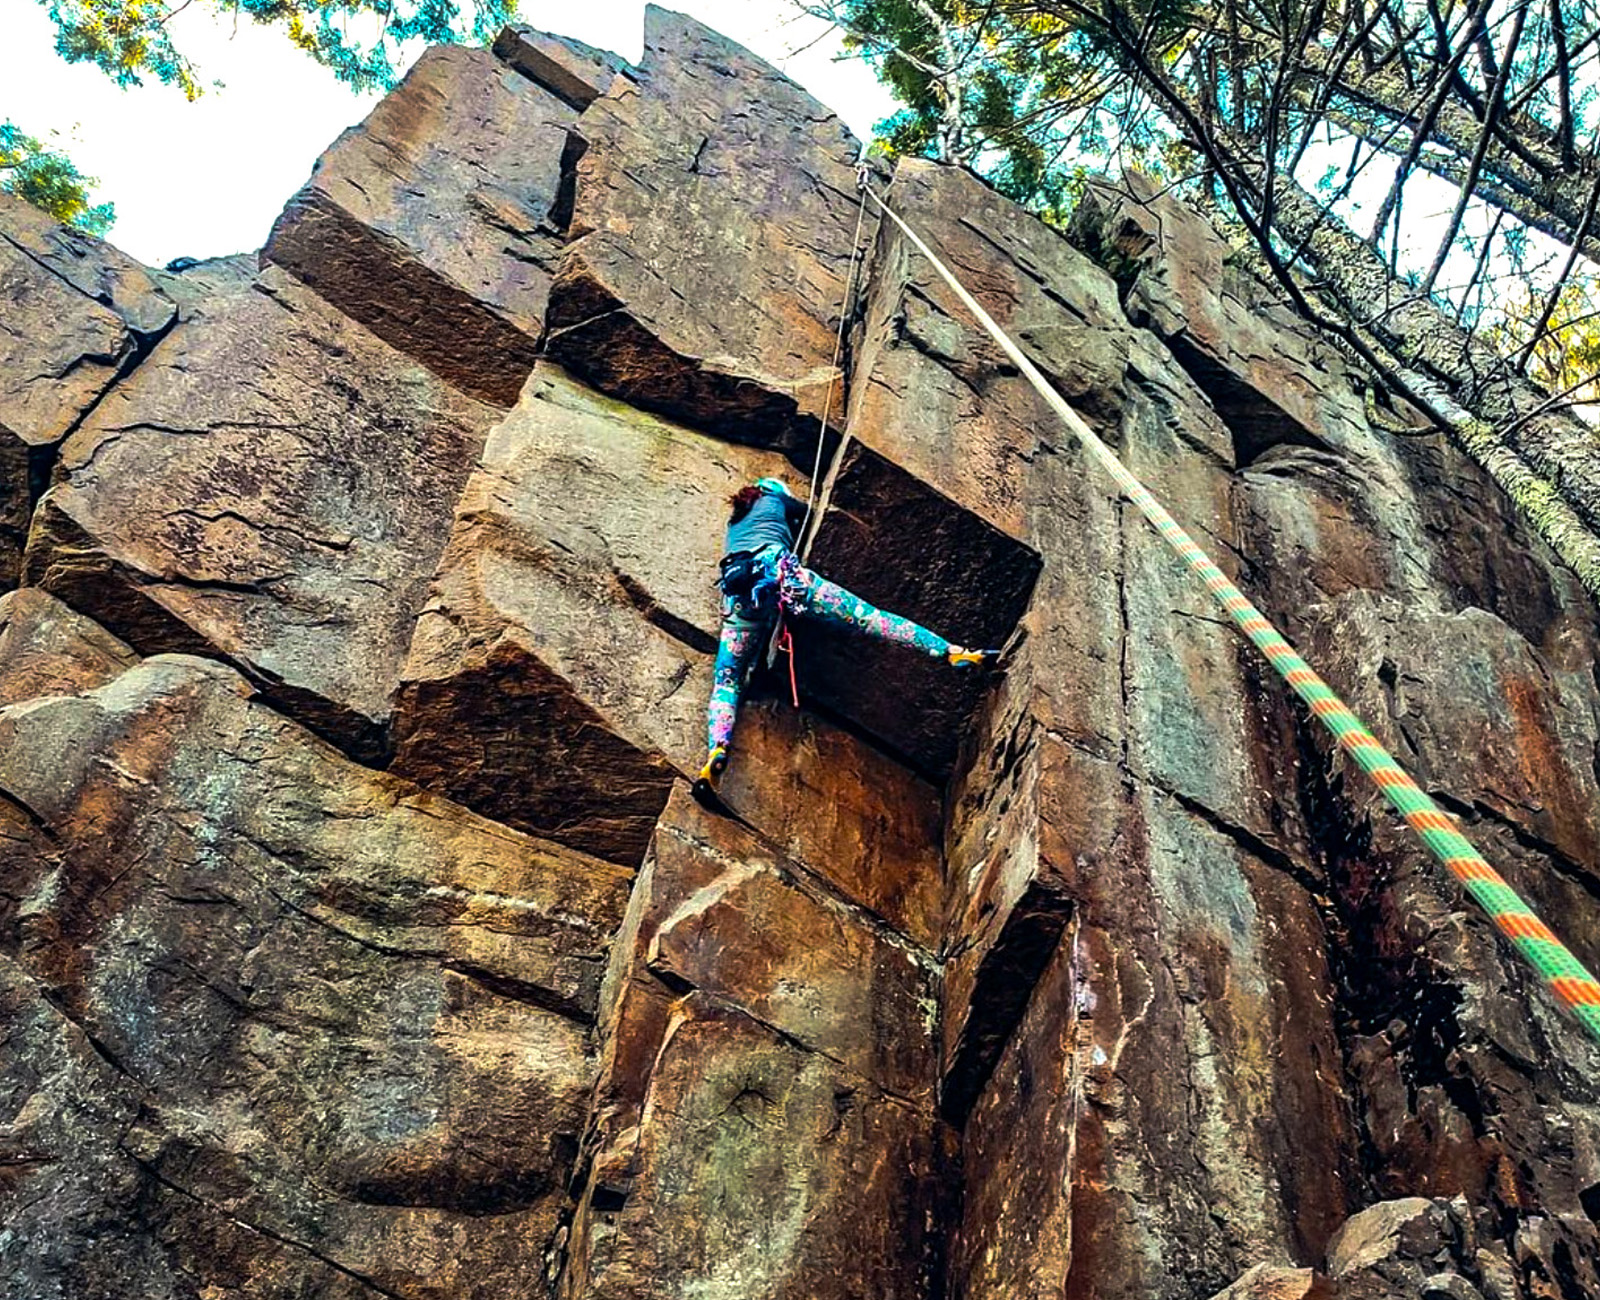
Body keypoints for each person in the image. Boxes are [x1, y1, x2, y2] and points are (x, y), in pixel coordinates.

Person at [696, 477, 999, 798]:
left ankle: (717, 749)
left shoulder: (735, 523)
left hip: (741, 600)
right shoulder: (776, 500)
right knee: (871, 618)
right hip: (786, 579)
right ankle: (950, 651)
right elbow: (806, 512)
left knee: (727, 681)